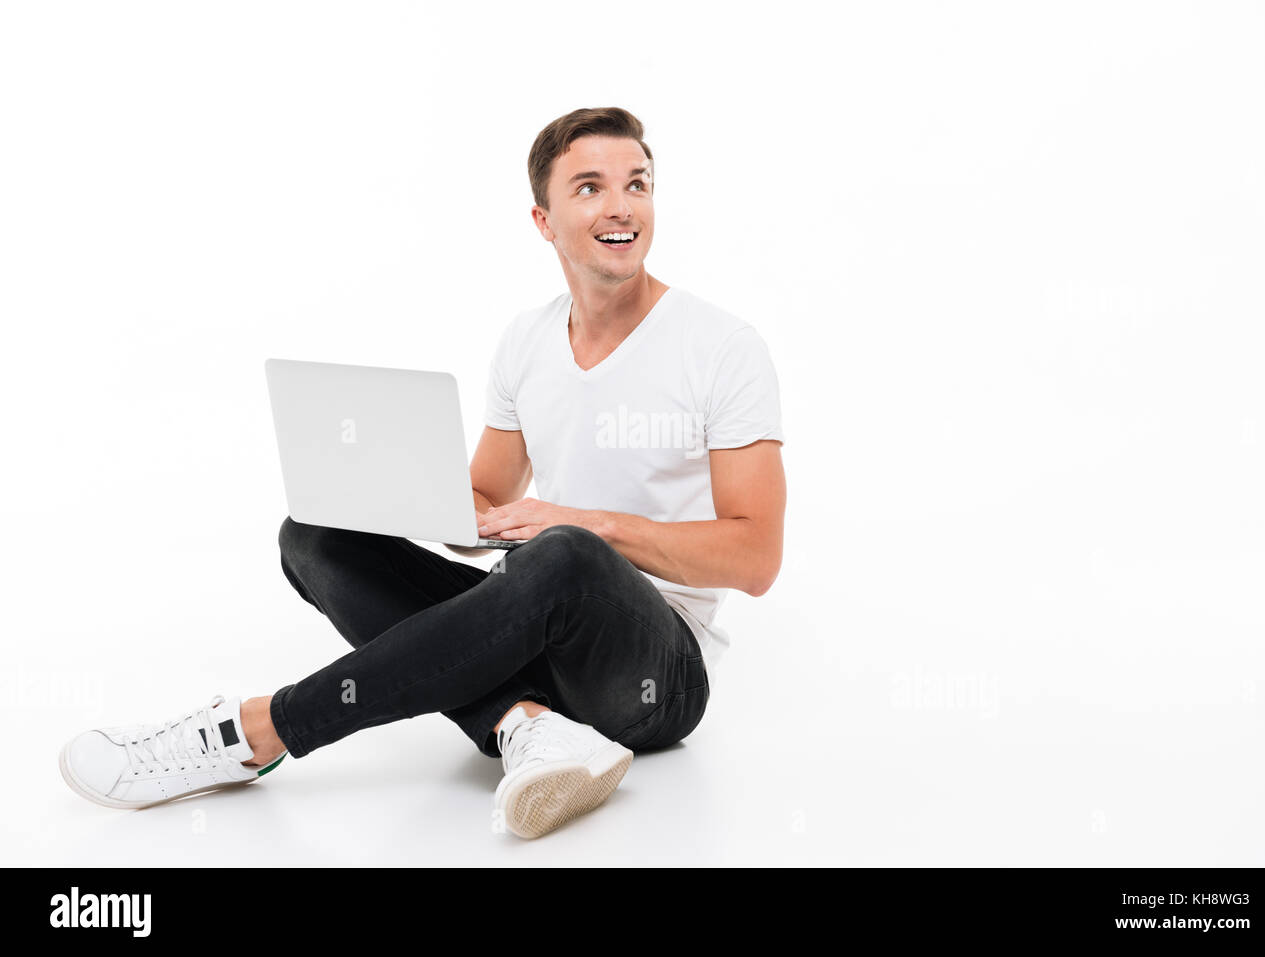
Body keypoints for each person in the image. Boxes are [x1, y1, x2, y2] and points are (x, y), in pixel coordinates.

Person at [58, 107, 787, 839]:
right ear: (544, 220)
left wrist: (578, 522)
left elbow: (755, 559)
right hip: (532, 623)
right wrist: (427, 504)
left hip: (655, 675)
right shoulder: (528, 341)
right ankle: (527, 723)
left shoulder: (720, 346)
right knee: (313, 536)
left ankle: (254, 732)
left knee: (563, 554)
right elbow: (485, 499)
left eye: (638, 183)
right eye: (591, 187)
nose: (622, 205)